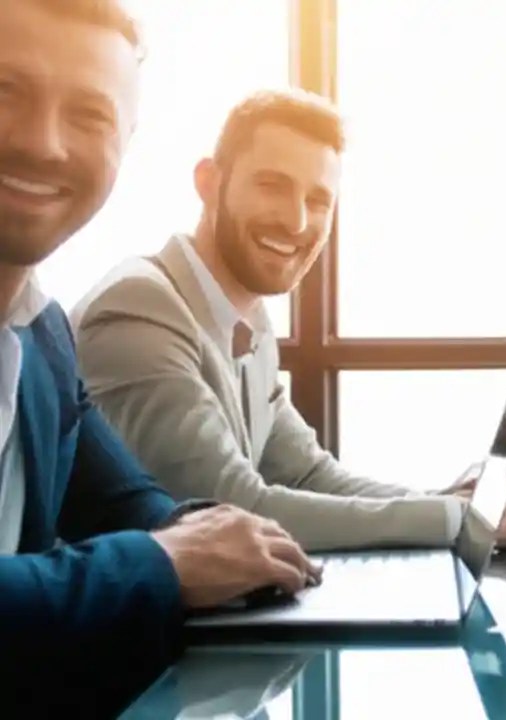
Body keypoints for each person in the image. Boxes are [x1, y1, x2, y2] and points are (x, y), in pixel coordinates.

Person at [73, 90, 506, 551]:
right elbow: (228, 507)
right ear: (209, 182)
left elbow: (309, 473)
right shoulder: (139, 310)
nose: (298, 220)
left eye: (318, 199)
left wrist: (447, 501)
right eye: (272, 185)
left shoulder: (248, 322)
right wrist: (476, 522)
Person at [0, 0, 317, 710]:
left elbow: (127, 501)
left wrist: (207, 534)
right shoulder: (139, 305)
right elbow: (153, 550)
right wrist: (160, 562)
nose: (44, 144)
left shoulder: (41, 337)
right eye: (4, 92)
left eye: (89, 115)